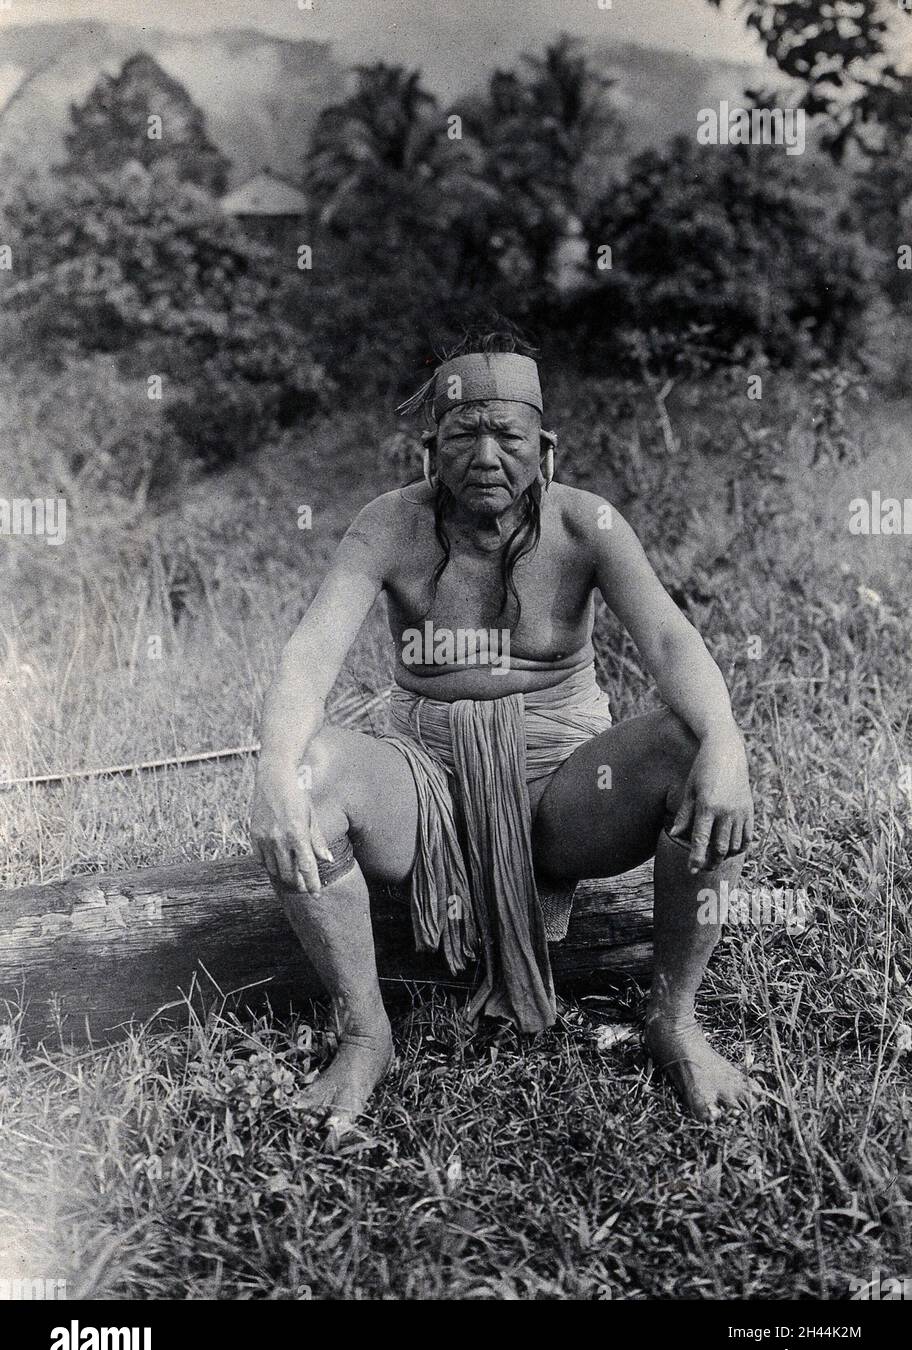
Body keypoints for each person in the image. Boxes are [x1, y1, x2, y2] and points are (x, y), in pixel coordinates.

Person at [251, 328, 754, 1135]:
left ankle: (677, 1019)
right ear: (429, 449)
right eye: (463, 434)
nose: (487, 455)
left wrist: (727, 740)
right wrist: (275, 766)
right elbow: (311, 651)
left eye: (508, 435)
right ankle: (365, 1032)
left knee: (692, 750)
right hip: (428, 787)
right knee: (308, 776)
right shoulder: (387, 525)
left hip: (565, 790)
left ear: (545, 446)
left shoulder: (586, 522)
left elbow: (668, 639)